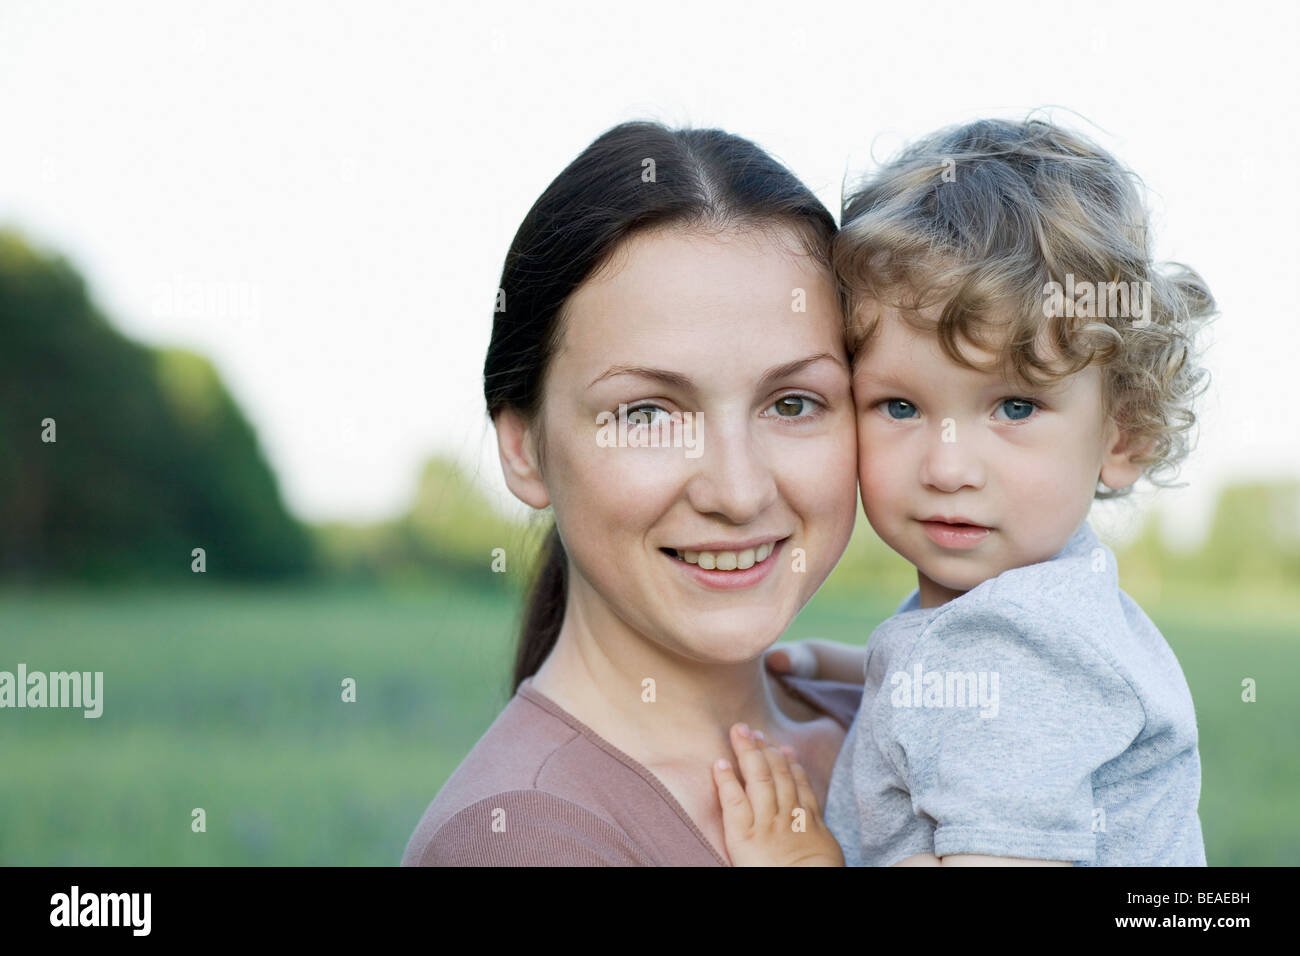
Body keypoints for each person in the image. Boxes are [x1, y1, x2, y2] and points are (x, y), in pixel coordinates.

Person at [712, 117, 1215, 867]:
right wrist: (860, 669)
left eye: (1015, 407)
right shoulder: (1043, 613)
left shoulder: (1024, 652)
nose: (948, 468)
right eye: (901, 407)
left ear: (1124, 437)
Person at [401, 120, 864, 866]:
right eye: (647, 414)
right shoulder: (524, 842)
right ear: (523, 446)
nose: (738, 491)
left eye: (792, 403)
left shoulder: (900, 727)